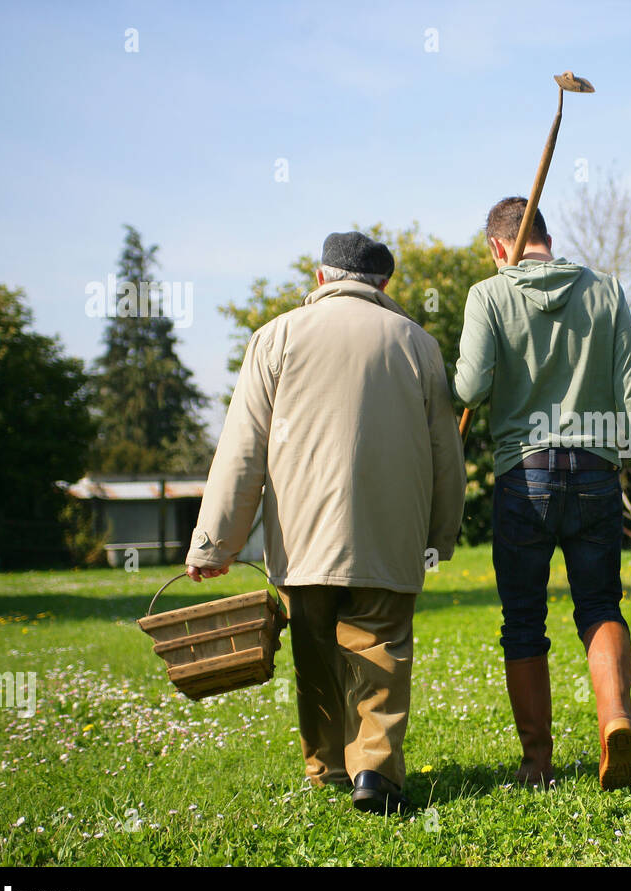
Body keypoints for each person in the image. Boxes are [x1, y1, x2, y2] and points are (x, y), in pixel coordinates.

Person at [184, 231, 465, 815]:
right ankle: (376, 773)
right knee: (382, 648)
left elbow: (242, 447)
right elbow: (446, 455)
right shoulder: (418, 343)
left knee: (314, 653)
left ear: (320, 278)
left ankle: (327, 768)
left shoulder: (275, 337)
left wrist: (215, 542)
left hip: (303, 535)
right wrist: (439, 535)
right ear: (384, 284)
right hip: (390, 533)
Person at [454, 197, 631, 791]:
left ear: (498, 248)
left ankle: (537, 763)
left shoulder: (490, 294)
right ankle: (615, 721)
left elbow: (472, 386)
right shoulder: (606, 291)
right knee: (601, 606)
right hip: (595, 475)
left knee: (524, 622)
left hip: (522, 477)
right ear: (546, 240)